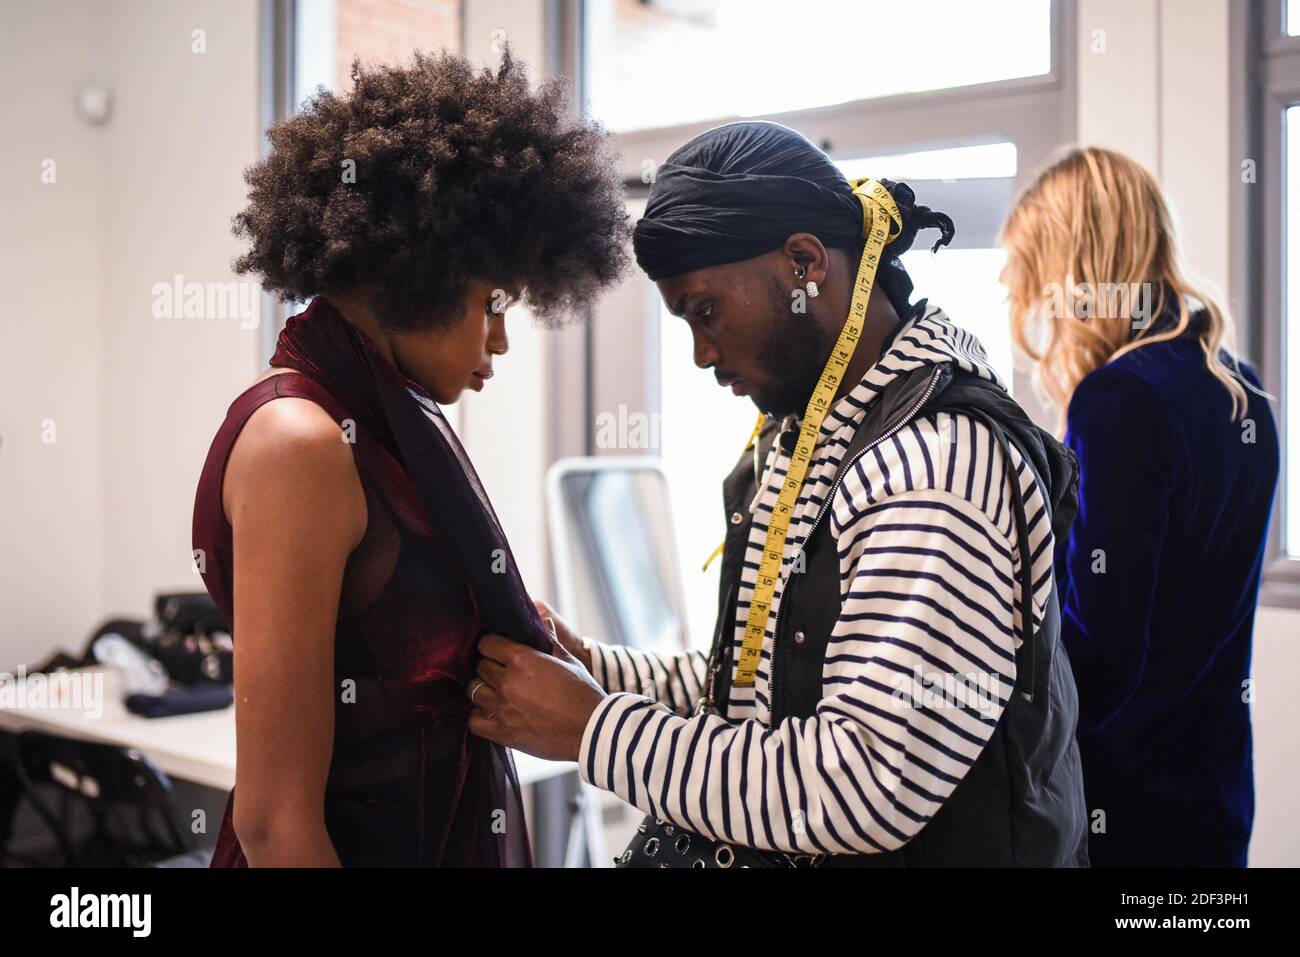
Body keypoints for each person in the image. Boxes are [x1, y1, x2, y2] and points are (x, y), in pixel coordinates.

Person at [468, 121, 1089, 866]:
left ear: (803, 263)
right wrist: (593, 668)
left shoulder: (935, 467)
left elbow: (862, 783)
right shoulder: (809, 435)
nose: (700, 354)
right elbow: (761, 686)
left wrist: (592, 728)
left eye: (705, 311)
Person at [190, 49, 628, 866]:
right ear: (416, 267)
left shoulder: (391, 426)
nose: (499, 341)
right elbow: (275, 825)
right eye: (493, 303)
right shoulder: (304, 443)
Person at [999, 146, 1280, 867]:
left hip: (1125, 808)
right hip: (1211, 796)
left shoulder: (1119, 401)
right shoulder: (1237, 388)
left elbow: (1099, 656)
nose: (1033, 307)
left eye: (1036, 278)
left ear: (1075, 270)